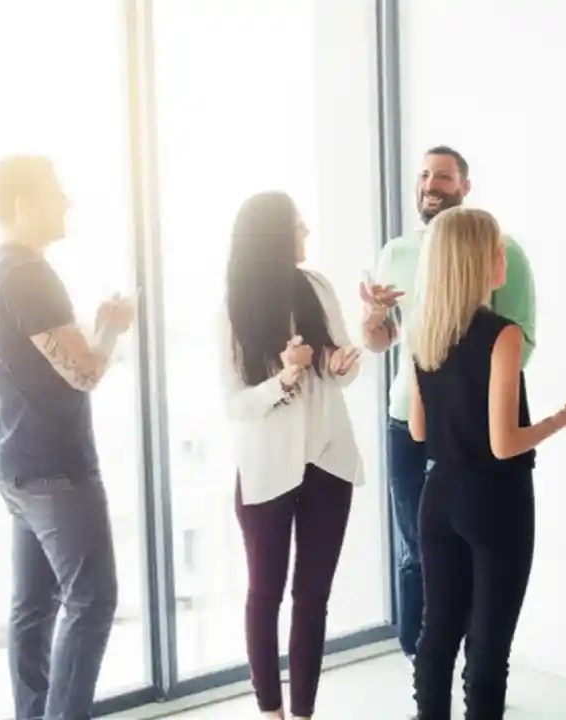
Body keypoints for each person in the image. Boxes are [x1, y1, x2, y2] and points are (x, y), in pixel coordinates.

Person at [406, 207, 566, 719]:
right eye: (498, 251)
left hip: (438, 497)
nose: (505, 261)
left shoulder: (422, 333)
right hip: (495, 501)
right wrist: (565, 419)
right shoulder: (503, 335)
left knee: (436, 636)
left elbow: (418, 430)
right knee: (488, 648)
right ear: (478, 261)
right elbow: (504, 443)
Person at [0, 156, 135, 720]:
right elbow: (83, 372)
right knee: (92, 600)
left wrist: (95, 330)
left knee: (33, 606)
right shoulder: (30, 275)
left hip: (14, 462)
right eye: (56, 195)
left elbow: (43, 361)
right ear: (24, 205)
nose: (67, 203)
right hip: (54, 470)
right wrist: (112, 330)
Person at [360, 145, 537, 661]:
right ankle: (423, 665)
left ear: (464, 186)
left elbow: (519, 342)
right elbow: (383, 341)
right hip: (407, 420)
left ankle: (474, 673)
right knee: (415, 551)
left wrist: (463, 390)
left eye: (443, 176)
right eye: (424, 175)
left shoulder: (504, 252)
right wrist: (373, 321)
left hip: (470, 429)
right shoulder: (396, 253)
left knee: (477, 559)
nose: (430, 185)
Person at [220, 192, 364, 720]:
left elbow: (342, 370)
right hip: (267, 468)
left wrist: (342, 363)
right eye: (298, 226)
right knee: (265, 593)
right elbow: (234, 403)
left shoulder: (317, 287)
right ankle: (270, 711)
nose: (306, 233)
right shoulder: (233, 309)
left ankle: (303, 713)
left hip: (328, 458)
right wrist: (284, 377)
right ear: (274, 235)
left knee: (314, 595)